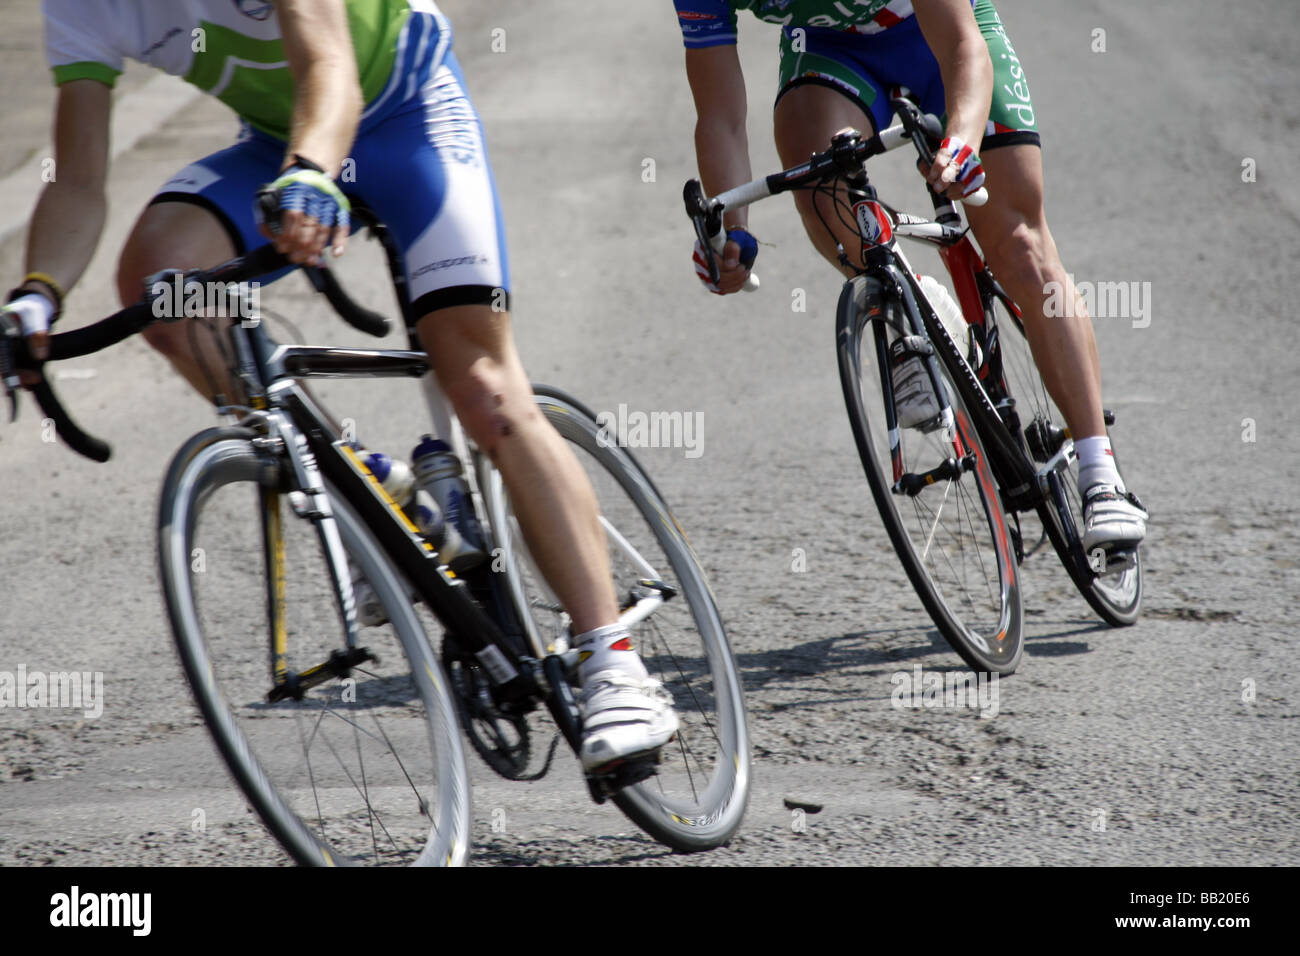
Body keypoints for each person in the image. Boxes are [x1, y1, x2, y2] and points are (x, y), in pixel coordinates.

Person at [2, 0, 675, 775]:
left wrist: (315, 173)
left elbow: (330, 67)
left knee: (485, 388)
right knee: (162, 286)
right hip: (279, 147)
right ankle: (369, 489)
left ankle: (614, 662)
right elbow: (79, 178)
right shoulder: (81, 8)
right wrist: (36, 296)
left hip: (405, 116)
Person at [674, 0, 1146, 556]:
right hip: (832, 51)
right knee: (817, 177)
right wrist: (732, 229)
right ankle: (912, 310)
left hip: (942, 37)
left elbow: (962, 47)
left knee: (1019, 246)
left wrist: (963, 143)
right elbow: (720, 115)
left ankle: (1100, 471)